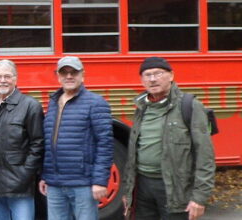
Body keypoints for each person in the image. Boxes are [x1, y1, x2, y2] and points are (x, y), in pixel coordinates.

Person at [122, 57, 215, 220]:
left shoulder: (190, 106)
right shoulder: (141, 107)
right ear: (141, 80)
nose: (152, 79)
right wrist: (128, 191)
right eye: (147, 75)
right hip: (142, 186)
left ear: (171, 75)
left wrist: (199, 198)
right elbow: (132, 153)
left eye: (158, 73)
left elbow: (205, 155)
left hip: (174, 188)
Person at [39, 56, 113, 220]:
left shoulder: (96, 103)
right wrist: (45, 176)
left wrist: (100, 181)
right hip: (55, 184)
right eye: (64, 73)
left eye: (74, 72)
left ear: (82, 75)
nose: (69, 76)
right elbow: (49, 143)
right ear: (58, 76)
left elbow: (105, 144)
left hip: (83, 184)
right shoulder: (53, 102)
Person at [0, 59, 44, 220]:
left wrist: (25, 175)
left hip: (20, 188)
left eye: (7, 76)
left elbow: (38, 144)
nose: (2, 80)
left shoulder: (30, 106)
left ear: (15, 78)